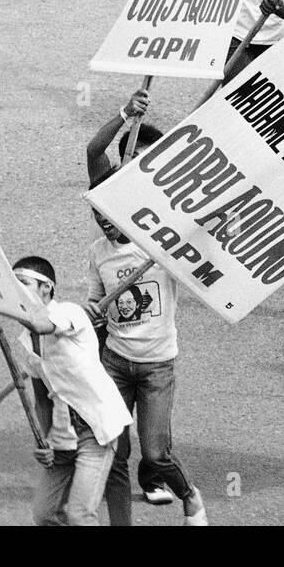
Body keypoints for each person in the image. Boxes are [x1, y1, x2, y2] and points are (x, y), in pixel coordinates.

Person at [86, 91, 208, 526]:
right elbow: (93, 151)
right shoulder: (101, 238)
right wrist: (124, 114)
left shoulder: (165, 228)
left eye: (150, 159)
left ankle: (188, 494)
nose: (141, 166)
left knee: (156, 450)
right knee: (112, 450)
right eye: (134, 156)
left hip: (157, 365)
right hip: (116, 362)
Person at [14, 256, 133, 526]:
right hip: (61, 436)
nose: (16, 291)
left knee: (80, 516)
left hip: (95, 429)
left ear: (47, 288)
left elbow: (40, 324)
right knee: (44, 515)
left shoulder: (69, 312)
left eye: (23, 283)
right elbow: (42, 401)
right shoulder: (24, 342)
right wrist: (42, 442)